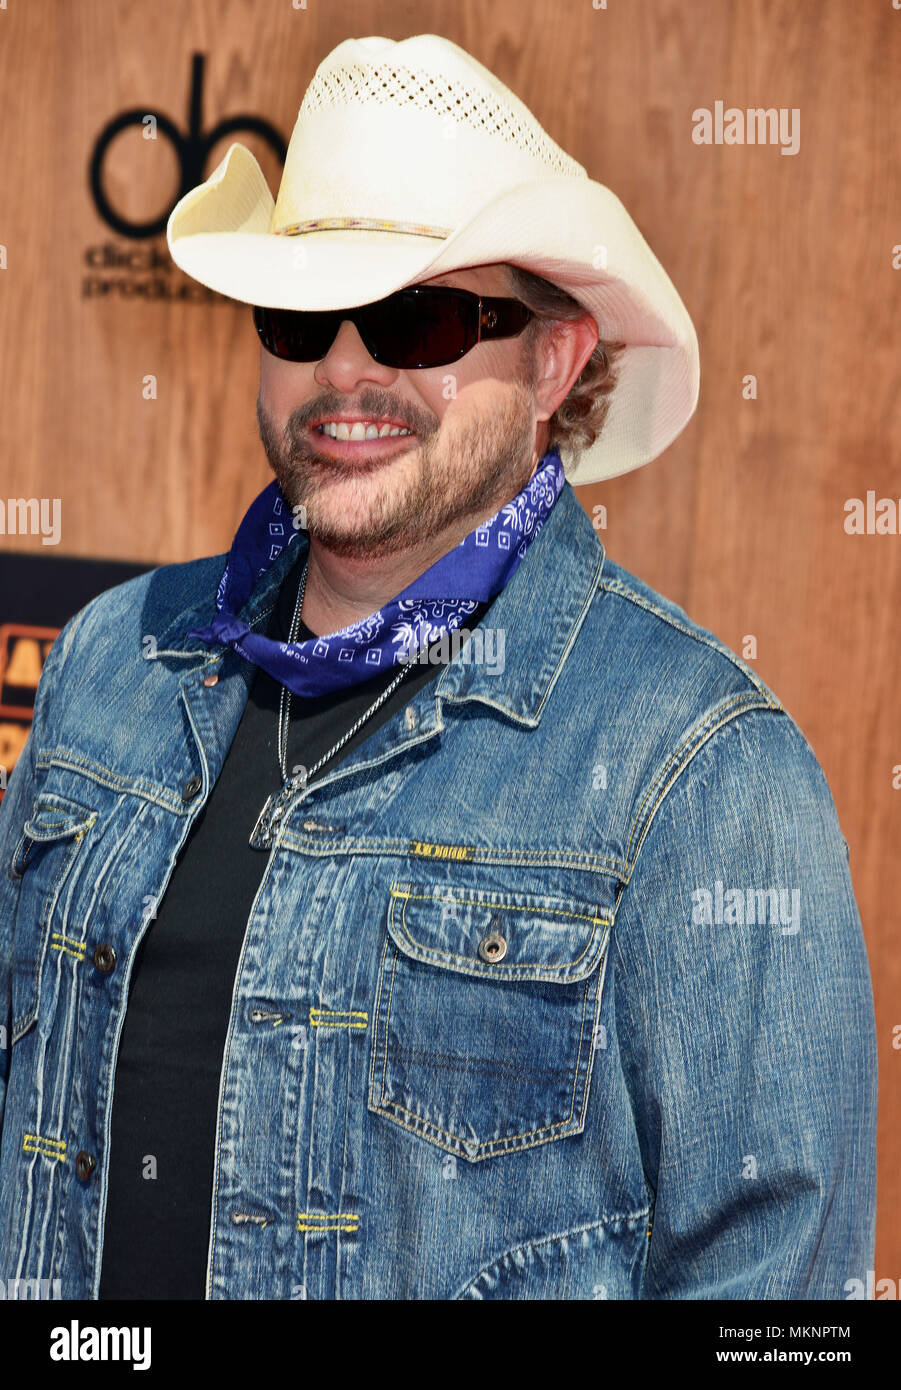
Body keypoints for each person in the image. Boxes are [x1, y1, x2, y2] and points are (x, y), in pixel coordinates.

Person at [0, 33, 875, 1301]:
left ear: (555, 361)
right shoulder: (111, 662)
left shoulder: (698, 771)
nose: (346, 368)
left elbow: (775, 1294)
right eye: (304, 314)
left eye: (418, 317)